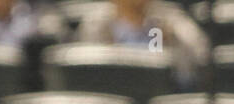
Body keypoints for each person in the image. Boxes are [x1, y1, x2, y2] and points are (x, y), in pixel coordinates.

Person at [75, 0, 209, 89]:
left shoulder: (171, 19)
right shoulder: (95, 24)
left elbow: (200, 55)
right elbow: (87, 77)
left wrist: (172, 38)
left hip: (159, 97)